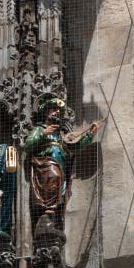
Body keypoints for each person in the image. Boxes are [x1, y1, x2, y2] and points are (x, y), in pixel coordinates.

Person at [25, 98, 103, 236]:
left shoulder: (61, 135)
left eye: (59, 111)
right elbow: (28, 145)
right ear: (45, 112)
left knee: (59, 191)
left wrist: (91, 133)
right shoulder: (40, 129)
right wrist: (44, 134)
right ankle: (44, 220)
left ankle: (50, 220)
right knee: (52, 180)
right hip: (45, 165)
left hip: (61, 169)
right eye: (53, 109)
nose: (57, 112)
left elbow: (75, 146)